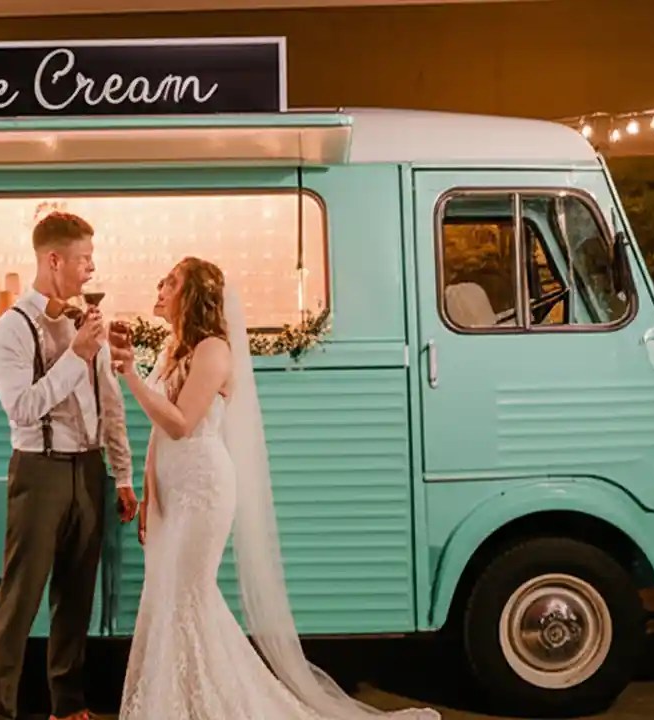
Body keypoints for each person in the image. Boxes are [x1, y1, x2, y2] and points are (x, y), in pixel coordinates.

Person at [108, 257, 440, 719]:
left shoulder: (213, 351)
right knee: (166, 597)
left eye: (171, 282)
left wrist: (127, 375)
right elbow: (159, 432)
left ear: (192, 296)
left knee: (185, 597)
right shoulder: (173, 350)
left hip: (202, 490)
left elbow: (181, 424)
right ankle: (181, 700)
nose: (160, 288)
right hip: (169, 490)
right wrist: (148, 492)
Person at [0, 211, 139, 720]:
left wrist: (123, 475)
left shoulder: (81, 324)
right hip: (39, 471)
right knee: (19, 601)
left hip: (89, 471)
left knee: (75, 602)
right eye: (83, 259)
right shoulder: (11, 330)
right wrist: (76, 355)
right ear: (54, 260)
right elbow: (22, 408)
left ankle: (67, 707)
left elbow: (109, 404)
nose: (90, 270)